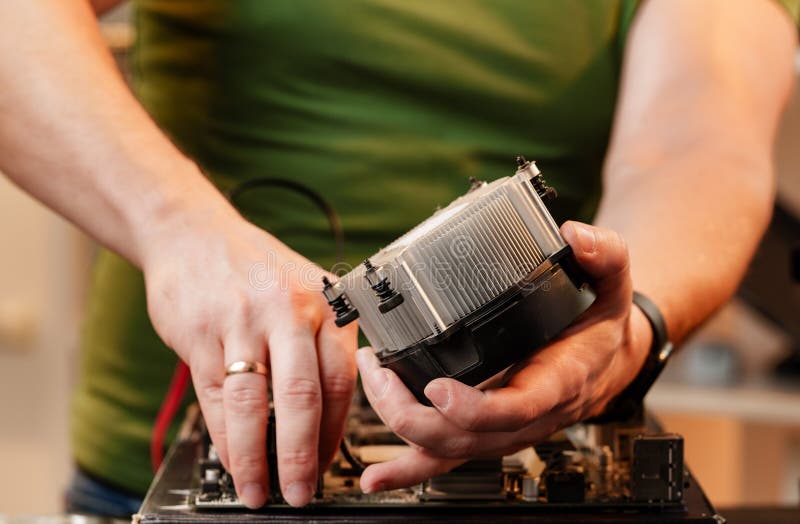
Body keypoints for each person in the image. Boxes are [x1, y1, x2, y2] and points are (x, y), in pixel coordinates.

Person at [0, 0, 796, 516]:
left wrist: (625, 330)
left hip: (535, 448)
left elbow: (699, 142)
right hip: (196, 452)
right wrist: (176, 224)